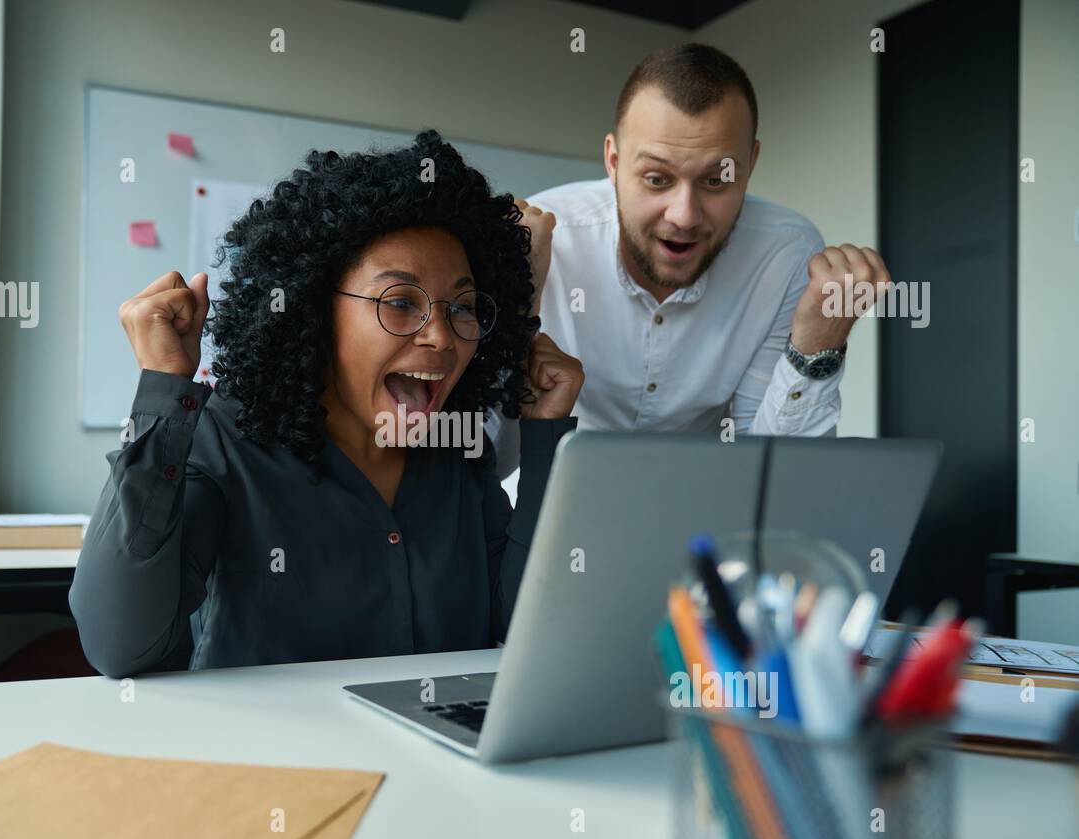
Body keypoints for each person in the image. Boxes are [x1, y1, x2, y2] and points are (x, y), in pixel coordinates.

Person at [69, 131, 584, 678]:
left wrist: (544, 435)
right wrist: (162, 388)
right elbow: (120, 645)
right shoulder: (230, 438)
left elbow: (525, 629)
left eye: (462, 307)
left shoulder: (455, 443)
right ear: (315, 310)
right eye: (401, 302)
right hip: (278, 757)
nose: (442, 336)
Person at [489, 43, 890, 477]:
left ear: (750, 164)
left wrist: (817, 347)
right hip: (547, 501)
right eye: (657, 178)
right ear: (613, 161)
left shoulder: (786, 255)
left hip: (702, 508)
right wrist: (515, 310)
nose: (684, 215)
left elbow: (776, 476)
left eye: (716, 180)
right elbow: (489, 464)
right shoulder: (541, 242)